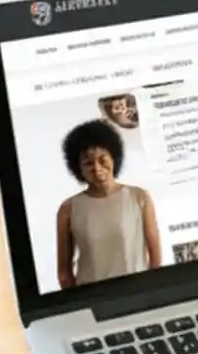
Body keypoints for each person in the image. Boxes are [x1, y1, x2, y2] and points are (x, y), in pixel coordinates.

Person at [56, 120, 160, 288]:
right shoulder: (68, 209)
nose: (97, 168)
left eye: (102, 159)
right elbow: (64, 273)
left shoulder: (139, 198)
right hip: (91, 296)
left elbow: (155, 260)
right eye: (88, 163)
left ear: (114, 157)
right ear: (78, 168)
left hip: (137, 291)